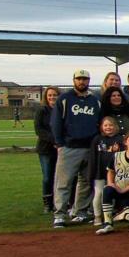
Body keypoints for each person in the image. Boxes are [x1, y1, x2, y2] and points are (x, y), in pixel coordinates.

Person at [51, 69, 101, 228]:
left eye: (85, 79)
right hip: (70, 147)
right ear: (74, 80)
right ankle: (59, 214)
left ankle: (80, 212)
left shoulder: (95, 100)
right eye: (79, 79)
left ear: (89, 81)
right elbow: (56, 122)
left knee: (86, 182)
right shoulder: (65, 99)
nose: (82, 82)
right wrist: (60, 143)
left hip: (90, 146)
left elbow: (99, 123)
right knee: (64, 182)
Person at [98, 131, 129, 234]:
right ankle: (108, 223)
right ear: (125, 142)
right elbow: (111, 171)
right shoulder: (117, 156)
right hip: (118, 188)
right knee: (107, 189)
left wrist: (124, 190)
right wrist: (111, 183)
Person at [35, 86, 61, 214]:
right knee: (47, 177)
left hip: (60, 149)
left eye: (55, 95)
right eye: (50, 95)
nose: (52, 97)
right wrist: (54, 140)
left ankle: (59, 202)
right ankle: (47, 203)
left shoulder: (62, 110)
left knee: (59, 177)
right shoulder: (42, 111)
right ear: (46, 97)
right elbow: (39, 130)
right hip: (45, 149)